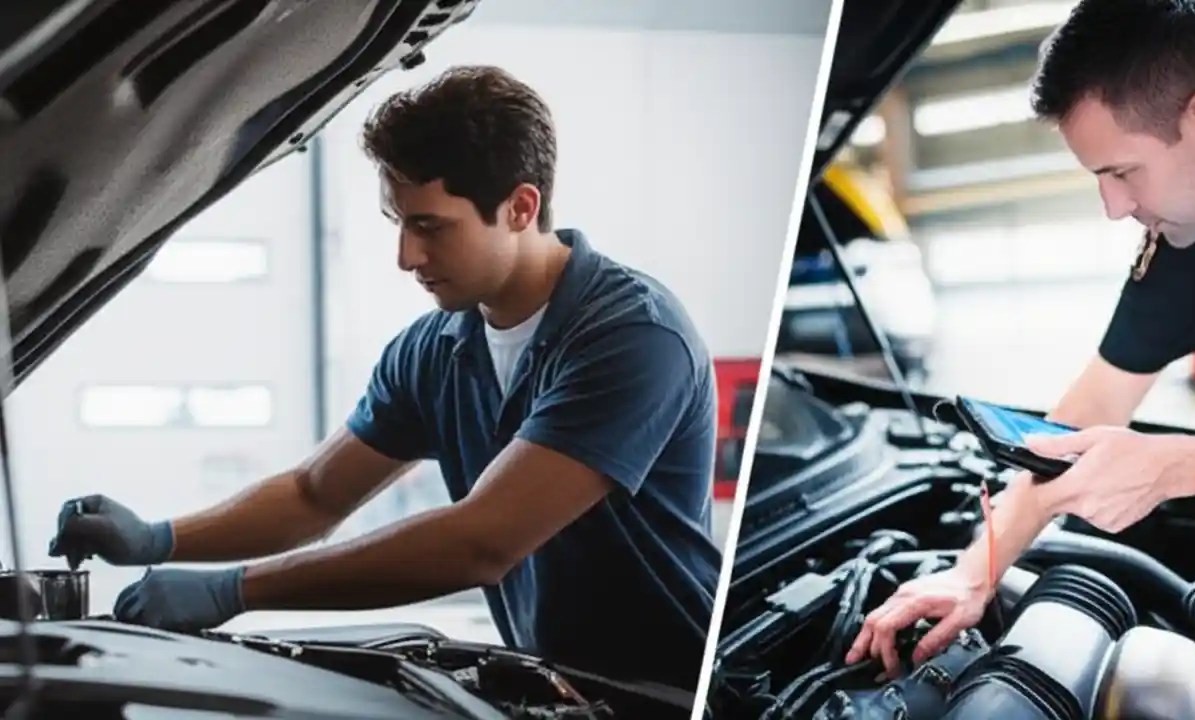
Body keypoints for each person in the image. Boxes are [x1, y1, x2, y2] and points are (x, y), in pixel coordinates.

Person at [47, 65, 723, 692]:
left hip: (665, 693)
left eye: (430, 227)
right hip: (555, 690)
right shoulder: (435, 349)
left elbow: (481, 541)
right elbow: (315, 496)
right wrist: (159, 538)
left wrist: (234, 590)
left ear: (520, 207)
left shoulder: (630, 336)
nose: (406, 256)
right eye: (398, 224)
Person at [846, 0, 1195, 679]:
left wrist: (1174, 466)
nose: (1113, 208)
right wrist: (974, 572)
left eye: (1122, 172)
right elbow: (1090, 408)